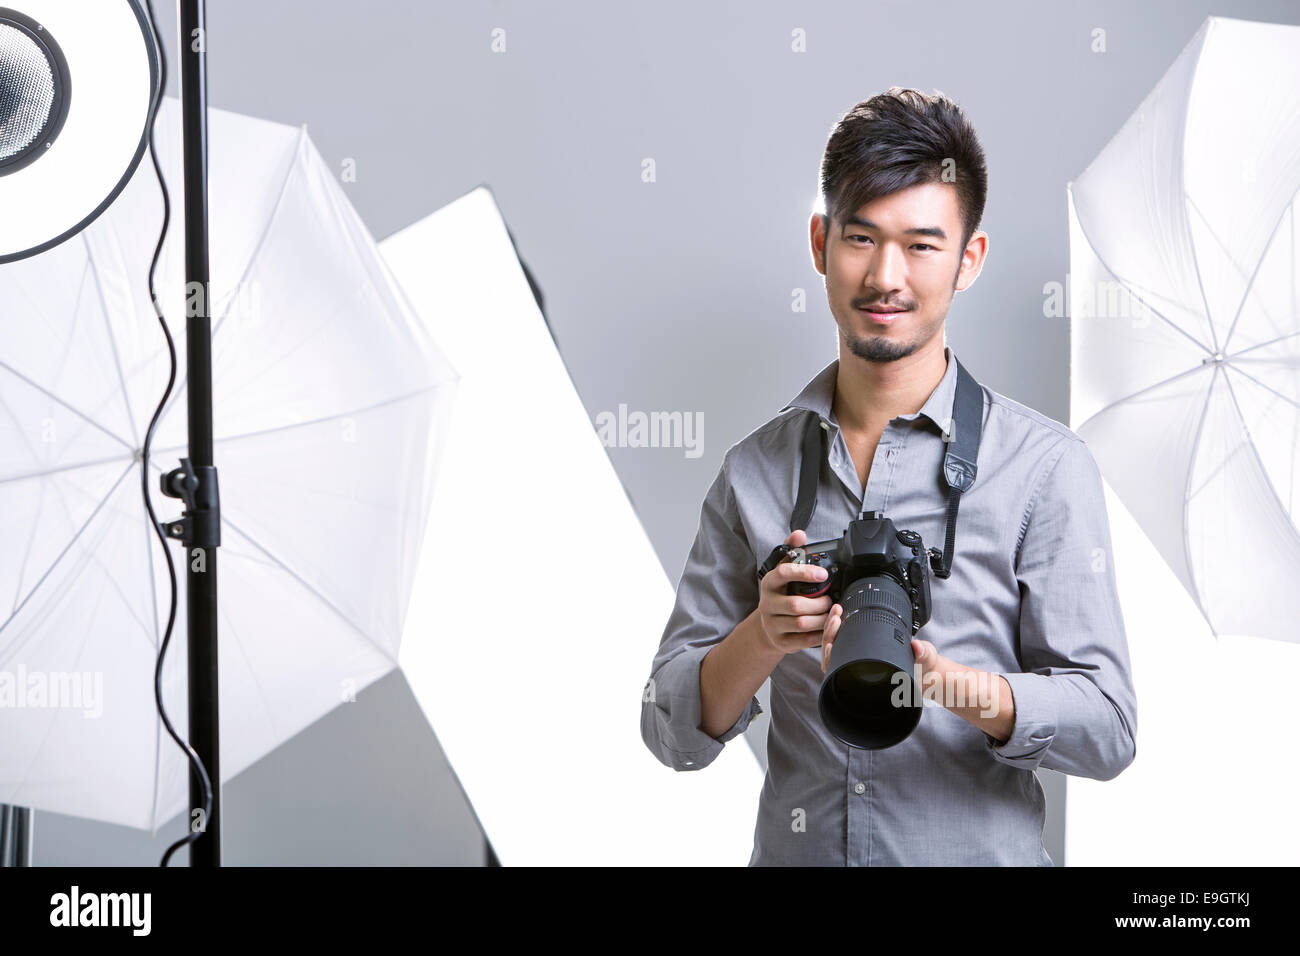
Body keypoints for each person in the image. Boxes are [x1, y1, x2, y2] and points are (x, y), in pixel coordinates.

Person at [639, 87, 1137, 866]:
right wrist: (762, 637)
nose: (885, 277)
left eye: (921, 245)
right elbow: (669, 731)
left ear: (968, 258)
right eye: (861, 238)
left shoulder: (1042, 469)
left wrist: (954, 687)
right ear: (819, 242)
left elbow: (1108, 728)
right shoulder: (755, 472)